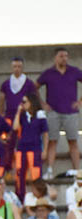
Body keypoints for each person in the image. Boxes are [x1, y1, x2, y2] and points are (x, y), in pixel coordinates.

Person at [37, 47, 82, 178]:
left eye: (66, 56)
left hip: (71, 112)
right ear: (55, 57)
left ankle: (77, 171)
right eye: (61, 56)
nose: (64, 58)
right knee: (52, 141)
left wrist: (79, 102)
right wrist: (42, 103)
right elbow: (35, 87)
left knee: (73, 141)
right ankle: (50, 170)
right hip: (53, 112)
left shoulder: (74, 71)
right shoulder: (48, 73)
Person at [13, 92, 49, 199]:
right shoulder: (22, 115)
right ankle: (21, 197)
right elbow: (15, 128)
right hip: (22, 148)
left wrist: (45, 150)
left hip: (35, 148)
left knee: (36, 174)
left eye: (25, 102)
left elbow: (45, 133)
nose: (23, 104)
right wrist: (18, 112)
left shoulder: (40, 115)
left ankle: (38, 196)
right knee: (20, 174)